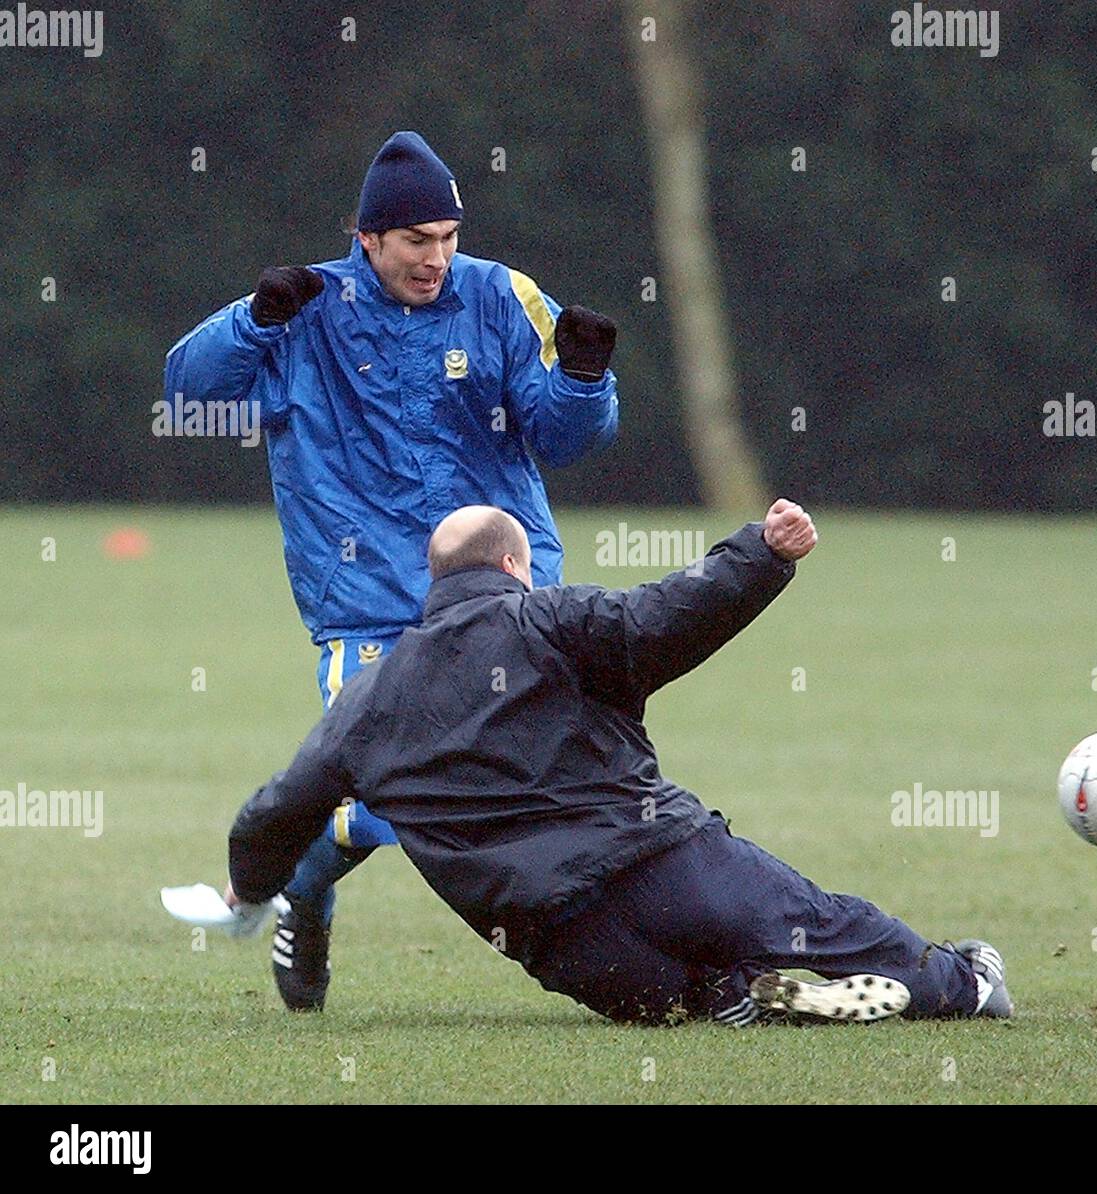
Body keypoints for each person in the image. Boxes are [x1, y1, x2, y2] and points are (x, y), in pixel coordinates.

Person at [226, 500, 1013, 1026]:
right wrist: (762, 554)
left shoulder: (368, 702)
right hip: (662, 864)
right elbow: (667, 616)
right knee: (830, 927)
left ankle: (730, 997)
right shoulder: (545, 618)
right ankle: (970, 984)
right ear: (513, 566)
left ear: (435, 584)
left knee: (684, 1009)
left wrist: (251, 887)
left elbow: (276, 810)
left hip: (559, 941)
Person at [164, 131, 619, 1011]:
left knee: (552, 778)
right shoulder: (306, 309)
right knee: (377, 796)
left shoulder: (502, 296)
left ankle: (637, 952)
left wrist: (585, 382)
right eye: (417, 241)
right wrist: (252, 320)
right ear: (367, 237)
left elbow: (564, 441)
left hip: (505, 593)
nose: (437, 258)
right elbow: (188, 388)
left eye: (448, 236)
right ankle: (301, 889)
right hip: (367, 600)